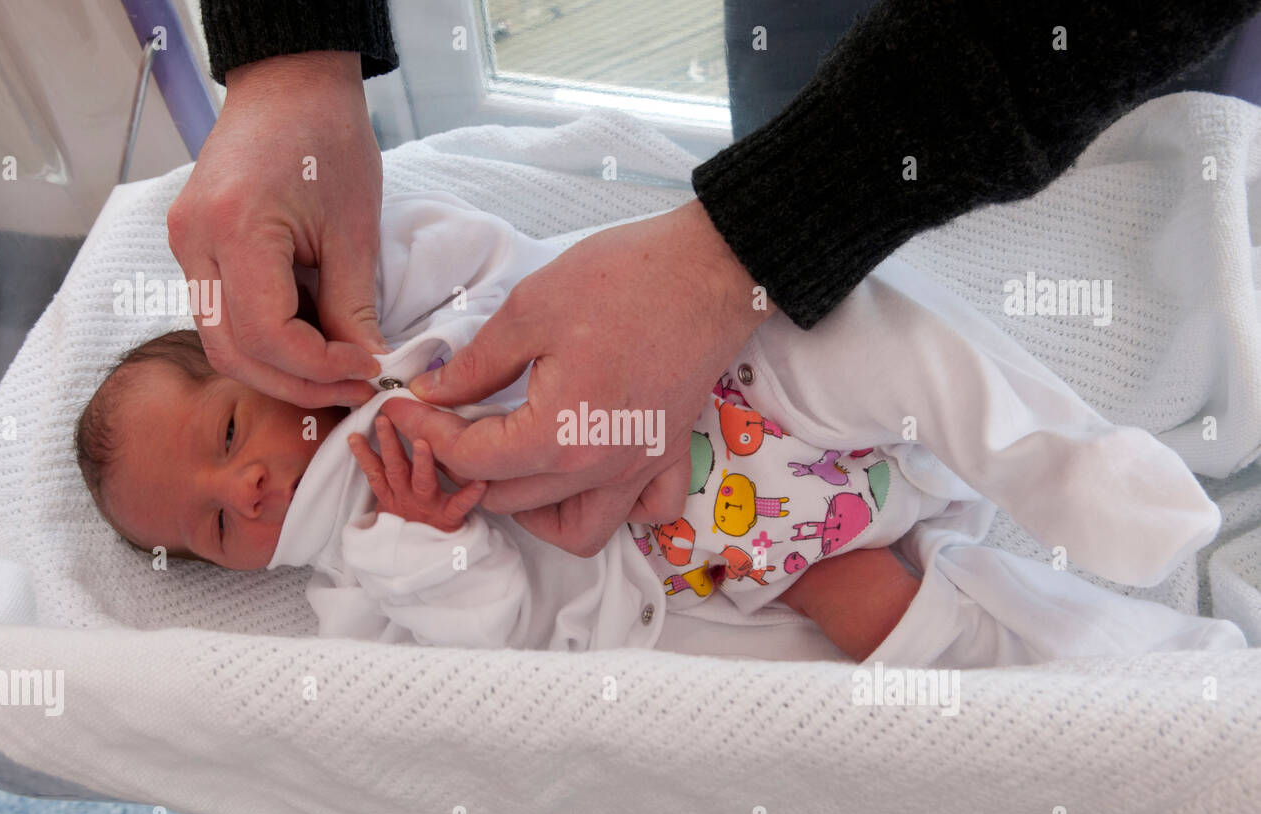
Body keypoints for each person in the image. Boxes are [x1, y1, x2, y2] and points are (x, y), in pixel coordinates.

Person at [169, 0, 1261, 557]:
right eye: (215, 531)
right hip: (735, 520)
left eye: (227, 439)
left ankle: (1056, 457)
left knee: (906, 310)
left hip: (755, 367)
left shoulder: (407, 299)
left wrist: (726, 258)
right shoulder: (373, 552)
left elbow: (459, 241)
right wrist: (290, 55)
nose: (249, 490)